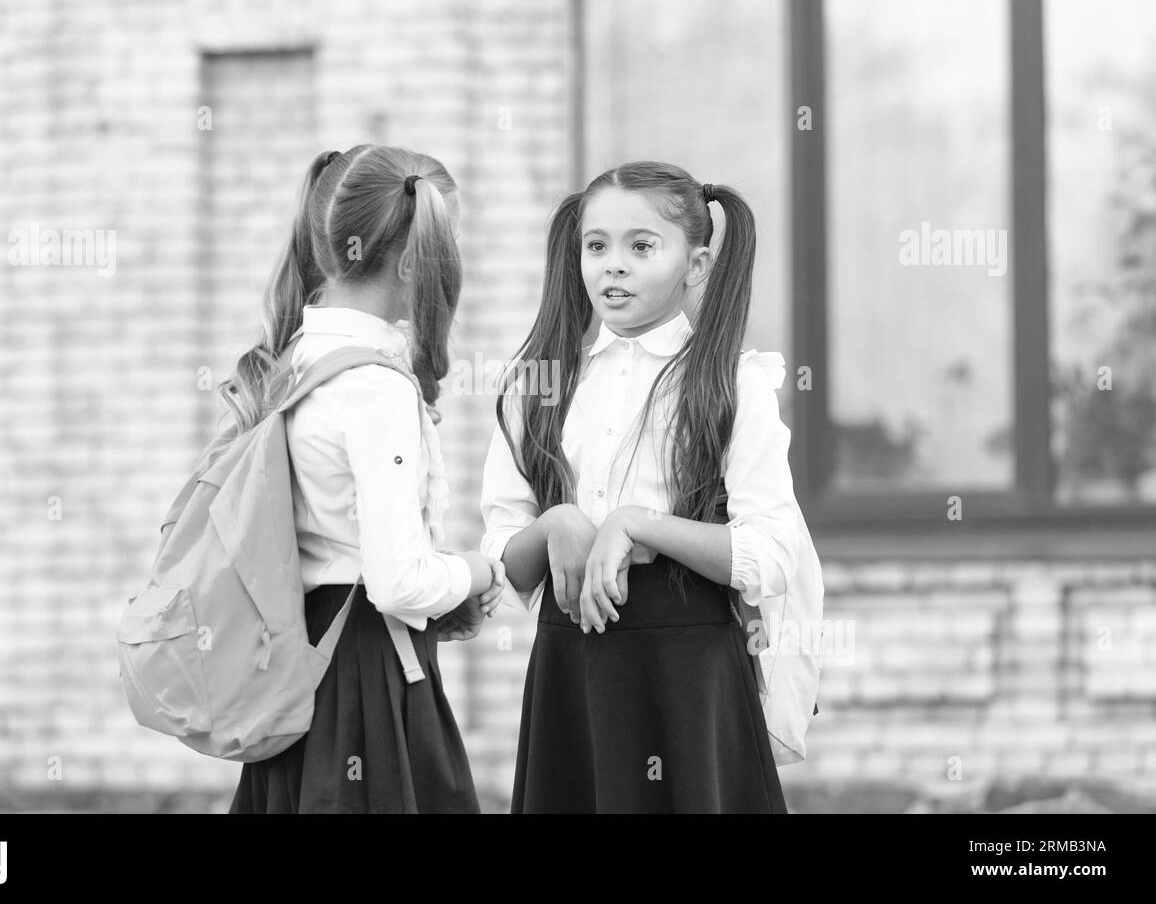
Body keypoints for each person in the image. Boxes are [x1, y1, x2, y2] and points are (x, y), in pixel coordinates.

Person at [481, 161, 821, 813]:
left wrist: (639, 523)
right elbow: (501, 565)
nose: (613, 264)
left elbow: (773, 553)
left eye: (641, 246)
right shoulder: (539, 388)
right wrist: (556, 524)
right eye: (596, 245)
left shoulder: (733, 386)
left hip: (689, 677)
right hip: (569, 678)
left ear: (696, 265)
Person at [224, 145, 505, 813]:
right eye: (449, 241)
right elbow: (398, 582)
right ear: (413, 261)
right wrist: (478, 571)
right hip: (365, 678)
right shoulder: (375, 386)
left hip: (300, 664)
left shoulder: (296, 358)